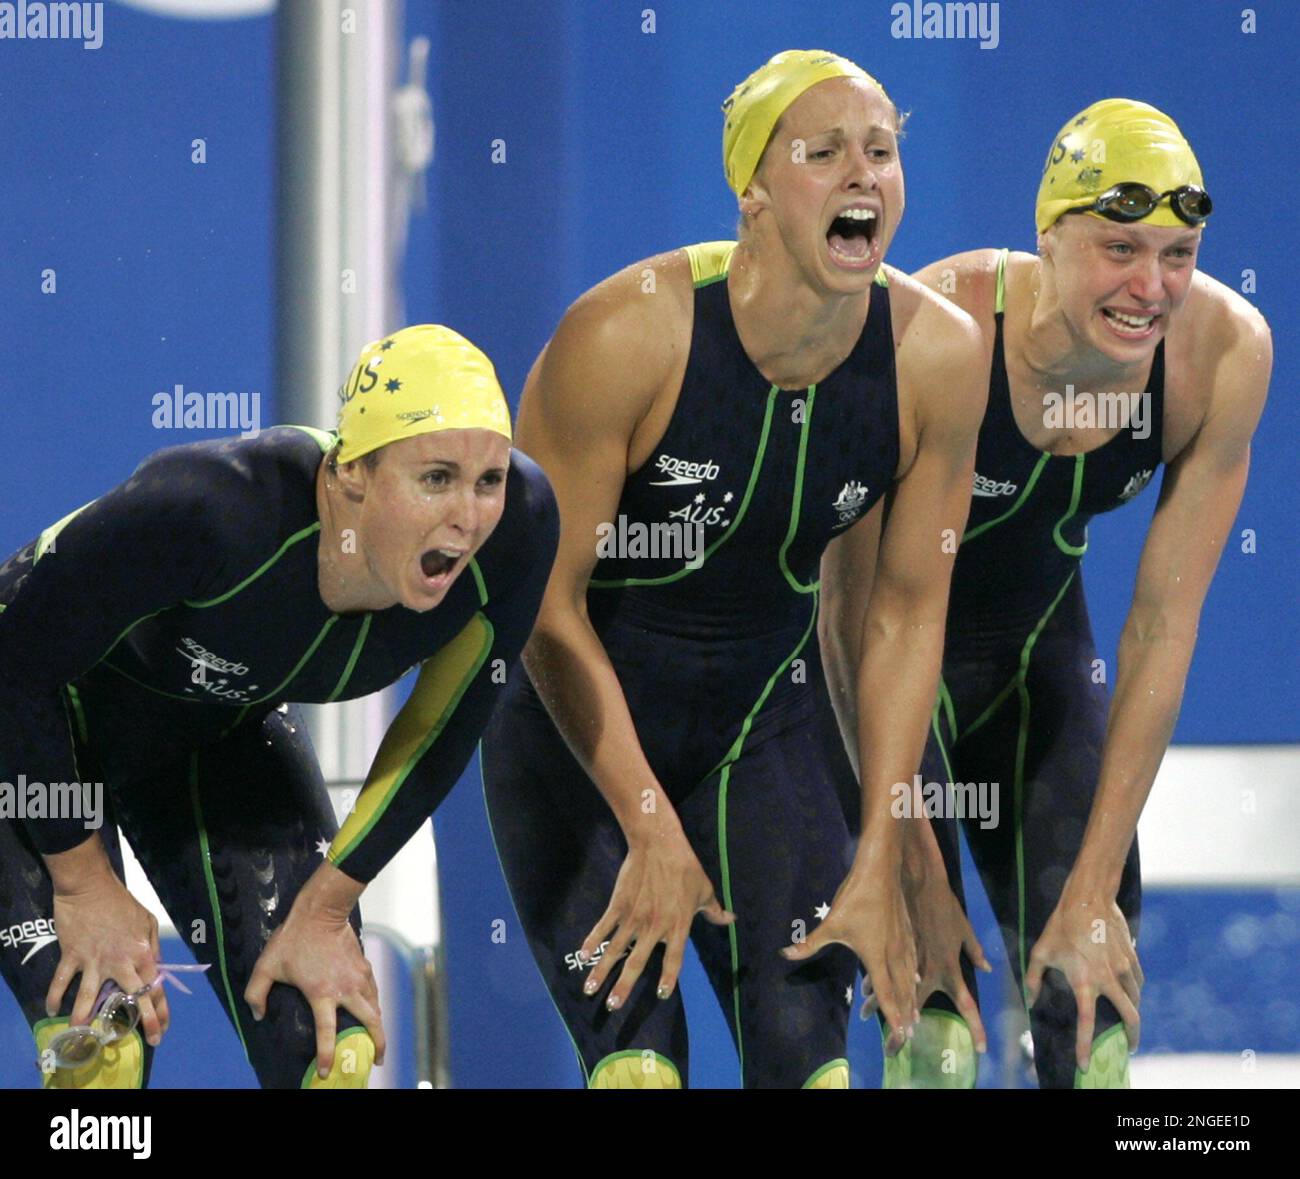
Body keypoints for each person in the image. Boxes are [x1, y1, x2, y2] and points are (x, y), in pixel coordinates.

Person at [480, 50, 988, 1089]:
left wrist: (889, 846)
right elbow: (542, 606)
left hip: (765, 725)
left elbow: (899, 619)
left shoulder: (937, 358)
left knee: (811, 1069)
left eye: (881, 152)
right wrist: (646, 822)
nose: (862, 175)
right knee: (642, 1075)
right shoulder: (626, 337)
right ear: (752, 194)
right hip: (577, 740)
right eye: (822, 152)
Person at [0, 324, 558, 1088]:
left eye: (488, 479)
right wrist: (83, 880)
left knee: (330, 1053)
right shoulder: (212, 508)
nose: (469, 516)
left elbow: (444, 728)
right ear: (353, 471)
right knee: (100, 1052)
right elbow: (18, 665)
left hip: (212, 732)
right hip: (32, 726)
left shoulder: (517, 533)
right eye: (436, 477)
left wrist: (327, 909)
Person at [881, 99, 1271, 1089]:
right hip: (882, 673)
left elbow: (1161, 624)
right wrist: (920, 874)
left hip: (1034, 665)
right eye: (1119, 247)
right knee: (932, 1039)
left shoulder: (1221, 356)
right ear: (1046, 238)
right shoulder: (941, 327)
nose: (1151, 287)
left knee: (1088, 1021)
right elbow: (866, 611)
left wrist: (1092, 887)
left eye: (1177, 253)